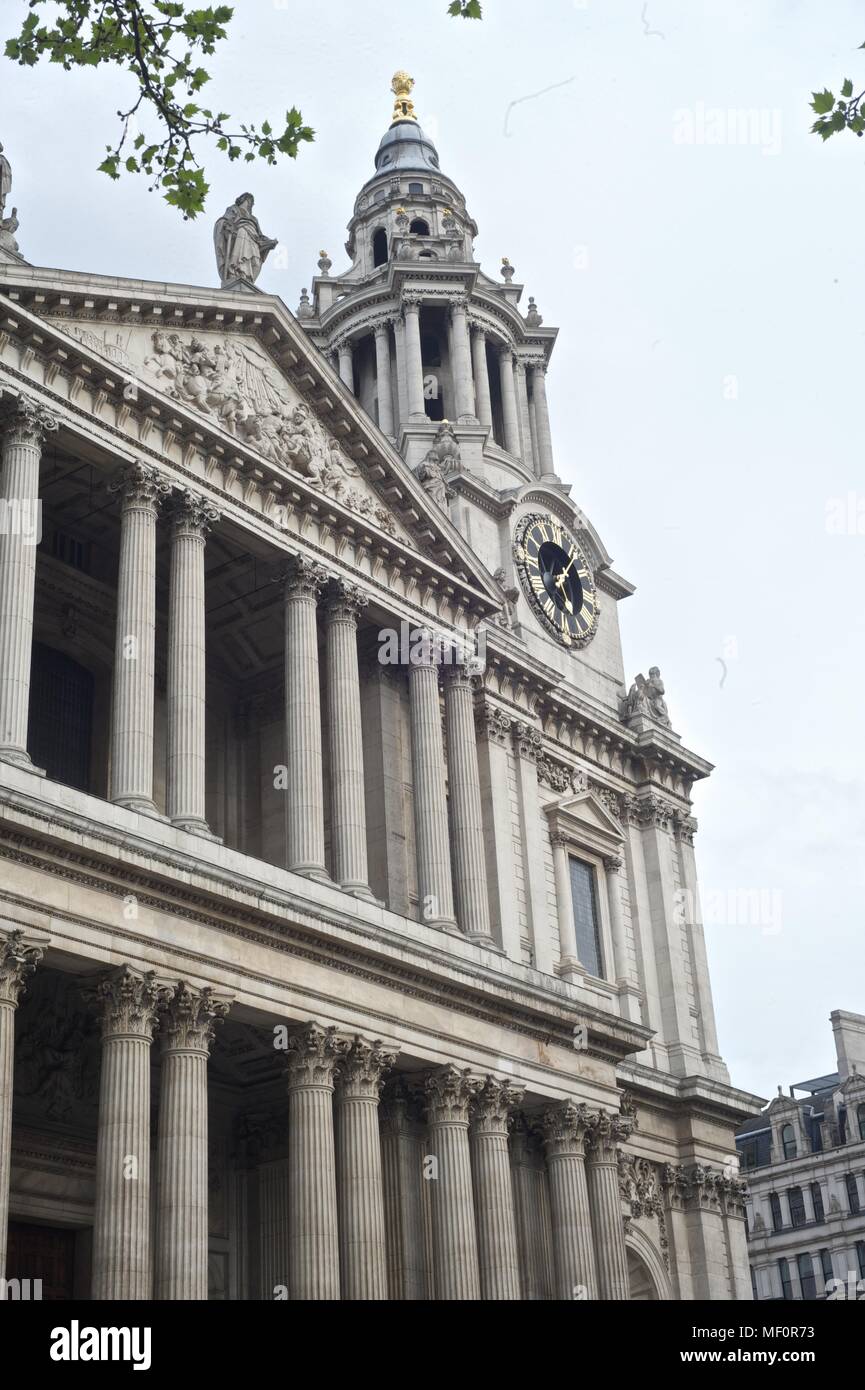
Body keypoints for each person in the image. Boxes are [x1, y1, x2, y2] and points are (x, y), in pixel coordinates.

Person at [214, 193, 278, 286]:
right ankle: (235, 274)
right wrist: (226, 225)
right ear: (243, 199)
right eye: (249, 200)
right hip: (241, 233)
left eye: (251, 202)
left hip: (254, 239)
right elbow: (224, 220)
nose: (250, 203)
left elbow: (260, 235)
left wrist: (269, 242)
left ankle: (249, 280)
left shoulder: (253, 219)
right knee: (239, 259)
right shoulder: (234, 209)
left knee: (256, 262)